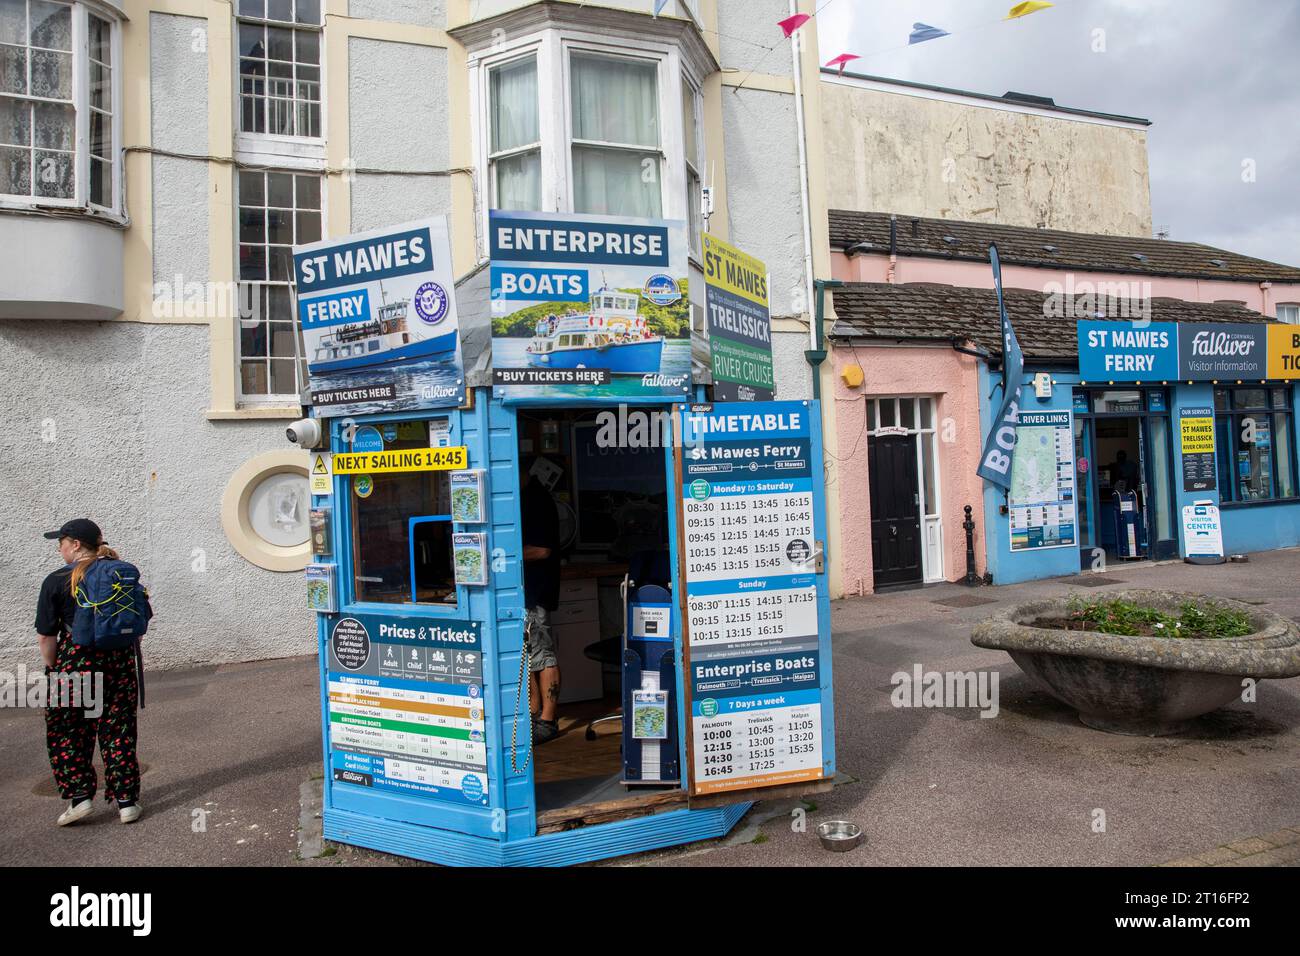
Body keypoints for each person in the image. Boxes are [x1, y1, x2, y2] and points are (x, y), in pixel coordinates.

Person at [35, 519, 144, 825]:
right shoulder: (118, 571)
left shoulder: (56, 580)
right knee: (118, 729)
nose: (60, 547)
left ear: (76, 545)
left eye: (62, 542)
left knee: (69, 732)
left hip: (76, 662)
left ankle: (80, 799)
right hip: (119, 661)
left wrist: (54, 667)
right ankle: (127, 803)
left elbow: (46, 637)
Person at [520, 459, 562, 745]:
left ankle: (548, 719)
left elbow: (542, 550)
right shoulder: (525, 496)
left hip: (537, 591)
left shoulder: (536, 500)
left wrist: (506, 555)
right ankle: (535, 715)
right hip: (528, 592)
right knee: (530, 654)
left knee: (543, 654)